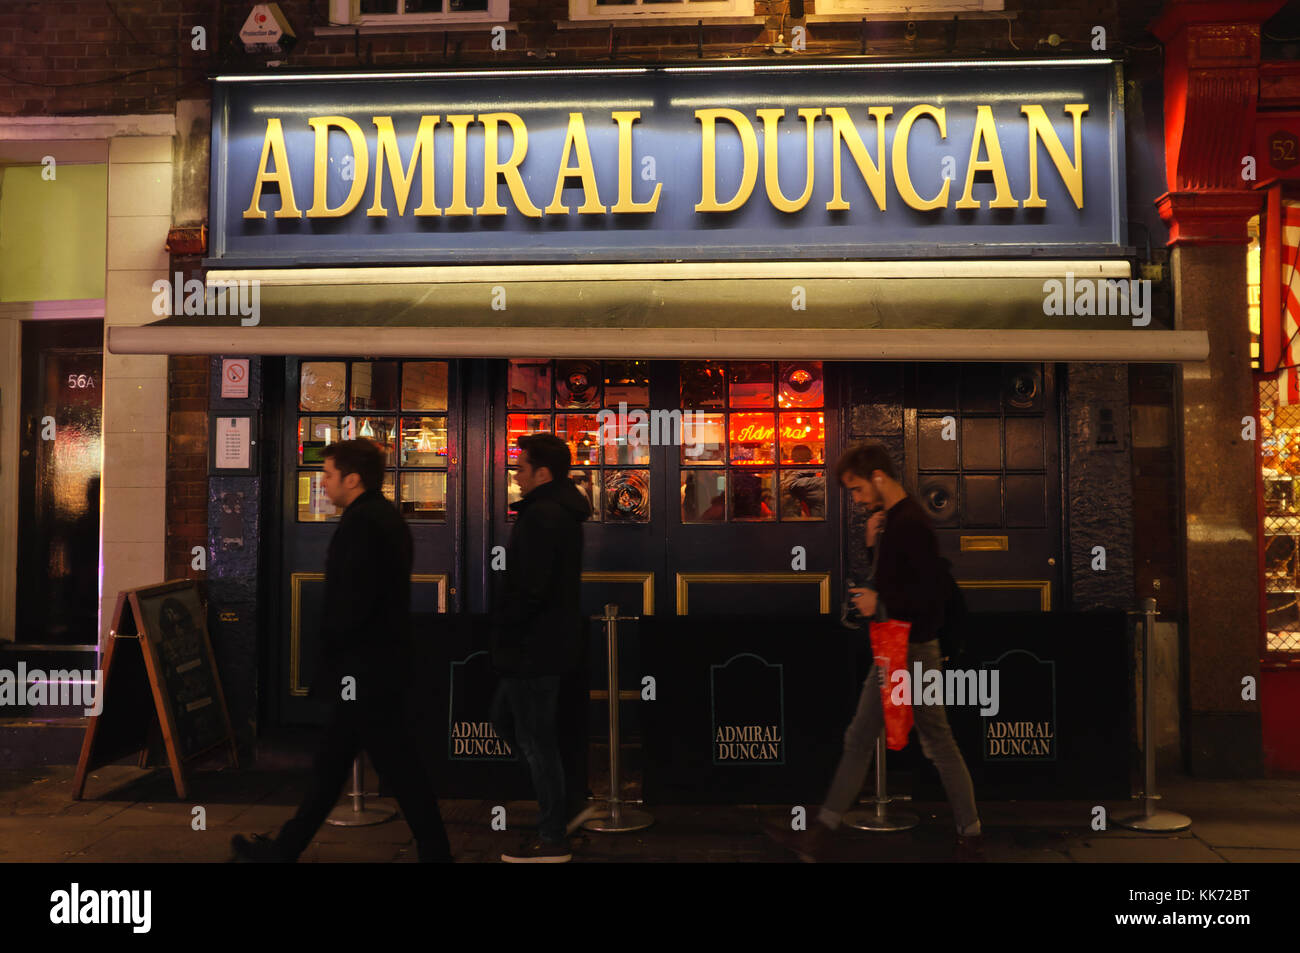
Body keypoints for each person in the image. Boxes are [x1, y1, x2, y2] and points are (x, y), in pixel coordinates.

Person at [230, 439, 452, 863]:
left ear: (353, 479)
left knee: (363, 768)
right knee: (361, 767)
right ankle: (286, 850)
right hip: (375, 666)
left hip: (362, 669)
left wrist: (335, 658)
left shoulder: (363, 524)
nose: (323, 482)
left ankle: (285, 851)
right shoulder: (380, 518)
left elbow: (353, 601)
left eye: (329, 474)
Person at [767, 441, 984, 863]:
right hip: (896, 648)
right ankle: (821, 835)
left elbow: (926, 601)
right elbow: (897, 580)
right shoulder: (892, 522)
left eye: (857, 488)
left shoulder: (911, 525)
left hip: (913, 650)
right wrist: (871, 548)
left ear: (878, 478)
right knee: (865, 737)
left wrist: (877, 603)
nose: (856, 497)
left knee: (933, 741)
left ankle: (971, 837)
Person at [491, 433, 593, 862]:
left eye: (522, 466)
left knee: (534, 740)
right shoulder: (560, 512)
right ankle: (568, 805)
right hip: (549, 642)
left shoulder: (541, 516)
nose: (516, 474)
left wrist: (505, 626)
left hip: (533, 646)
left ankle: (553, 836)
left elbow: (530, 588)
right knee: (515, 724)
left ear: (543, 473)